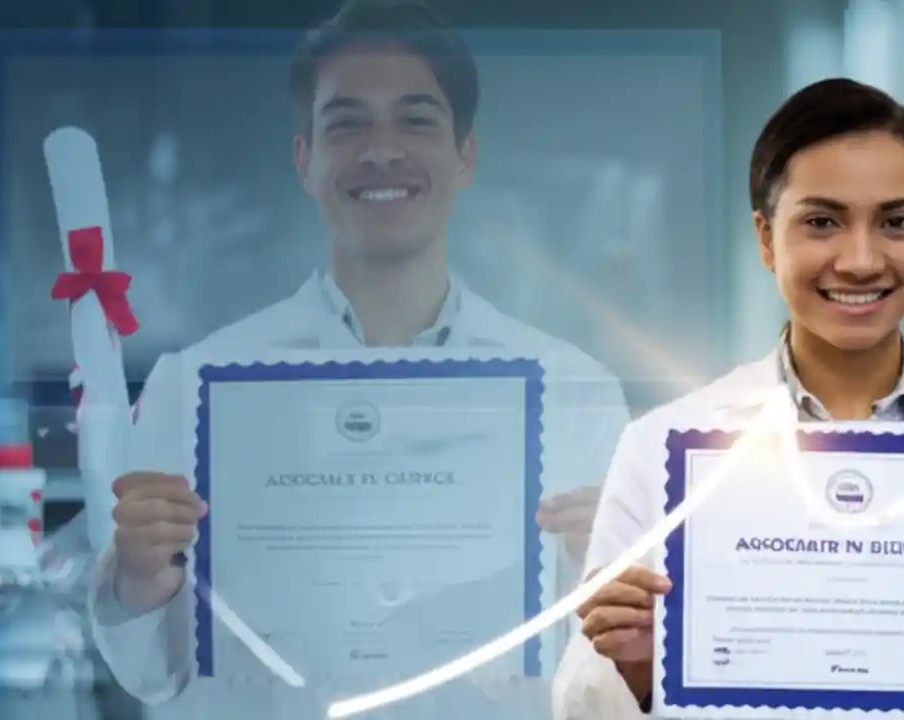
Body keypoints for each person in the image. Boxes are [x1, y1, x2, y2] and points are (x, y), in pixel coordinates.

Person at [86, 0, 628, 717]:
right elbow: (151, 676)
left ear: (465, 154)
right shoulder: (195, 388)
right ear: (304, 158)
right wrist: (136, 580)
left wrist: (606, 580)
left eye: (416, 119)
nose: (380, 150)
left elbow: (607, 678)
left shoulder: (573, 391)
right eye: (346, 122)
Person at [553, 78, 904, 719]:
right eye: (822, 222)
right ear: (767, 238)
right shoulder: (661, 449)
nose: (860, 260)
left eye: (897, 222)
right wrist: (634, 661)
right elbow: (578, 708)